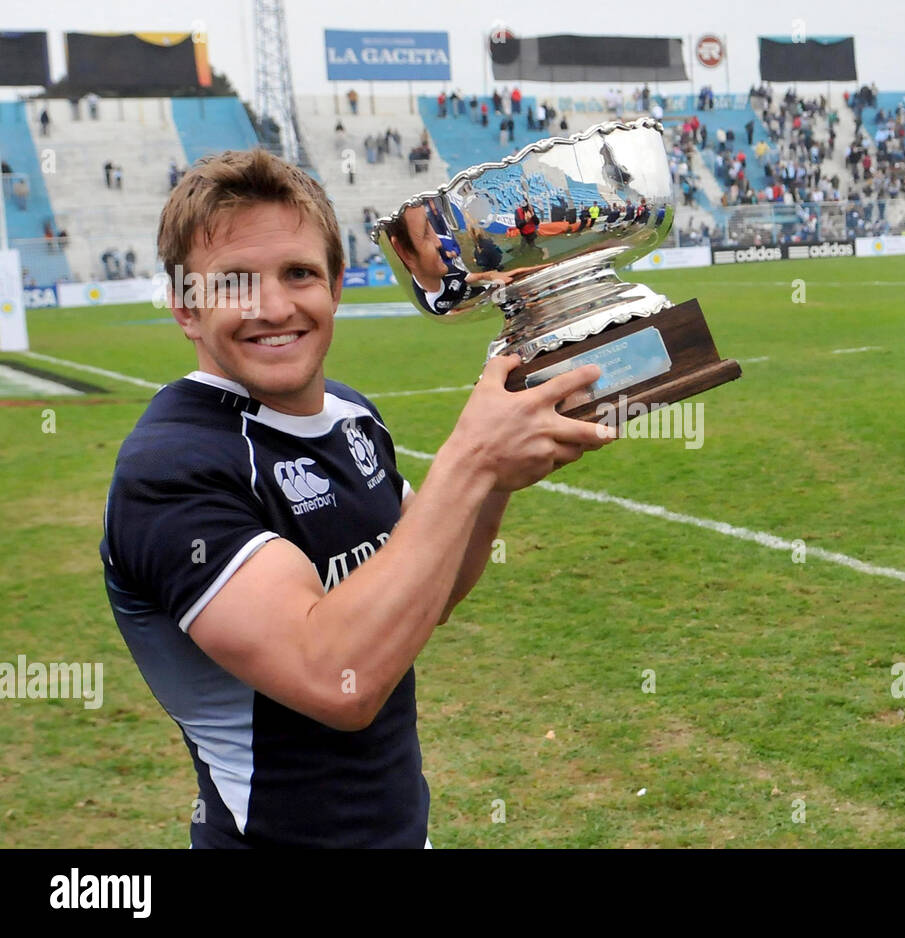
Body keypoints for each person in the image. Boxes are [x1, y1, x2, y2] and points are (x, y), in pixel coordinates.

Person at [100, 149, 613, 848]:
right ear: (187, 307)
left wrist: (494, 481)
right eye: (235, 283)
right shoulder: (170, 470)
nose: (274, 307)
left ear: (336, 285)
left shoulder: (350, 416)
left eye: (299, 273)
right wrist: (470, 460)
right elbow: (337, 680)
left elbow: (431, 591)